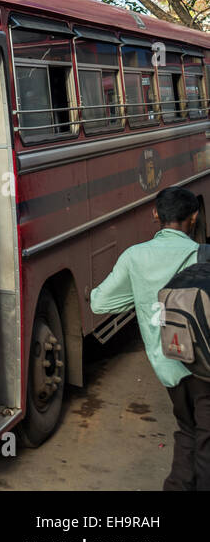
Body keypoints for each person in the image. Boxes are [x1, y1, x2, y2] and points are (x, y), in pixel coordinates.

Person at [91, 185, 206, 489]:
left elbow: (99, 303)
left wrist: (138, 295)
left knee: (188, 429)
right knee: (204, 437)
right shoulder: (202, 255)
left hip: (169, 368)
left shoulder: (134, 257)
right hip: (205, 365)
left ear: (155, 214)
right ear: (193, 218)